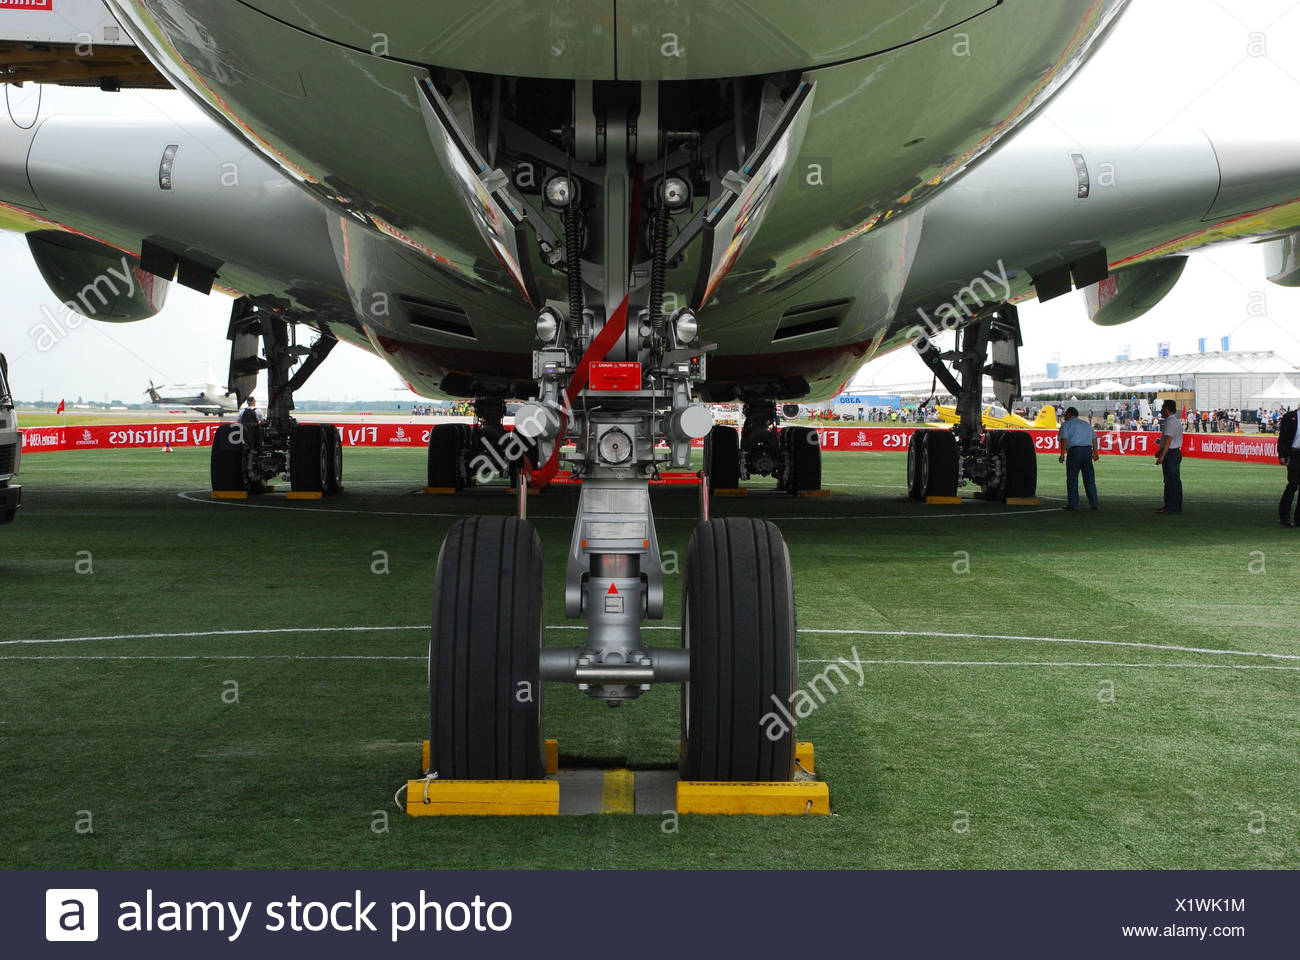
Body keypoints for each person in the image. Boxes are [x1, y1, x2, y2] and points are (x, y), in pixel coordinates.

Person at [1057, 406, 1100, 510]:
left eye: (1066, 413)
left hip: (1075, 451)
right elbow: (1094, 438)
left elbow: (1064, 439)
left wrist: (1062, 454)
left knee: (1072, 478)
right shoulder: (1085, 424)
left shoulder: (1066, 424)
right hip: (1087, 451)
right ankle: (1094, 503)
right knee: (1089, 478)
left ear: (1070, 414)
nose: (1064, 415)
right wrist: (1095, 452)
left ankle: (1073, 504)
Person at [1155, 398, 1183, 514]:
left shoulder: (1169, 422)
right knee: (1175, 481)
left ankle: (1171, 506)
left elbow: (1168, 439)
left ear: (1166, 409)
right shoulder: (1176, 421)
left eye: (1162, 408)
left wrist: (1162, 455)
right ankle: (1174, 506)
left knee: (1170, 481)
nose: (1161, 410)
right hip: (1175, 452)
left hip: (1170, 454)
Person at [1278, 407, 1299, 526]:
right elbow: (1283, 437)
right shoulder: (1289, 417)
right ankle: (1284, 516)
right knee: (1293, 484)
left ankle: (1298, 519)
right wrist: (1282, 454)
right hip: (1294, 453)